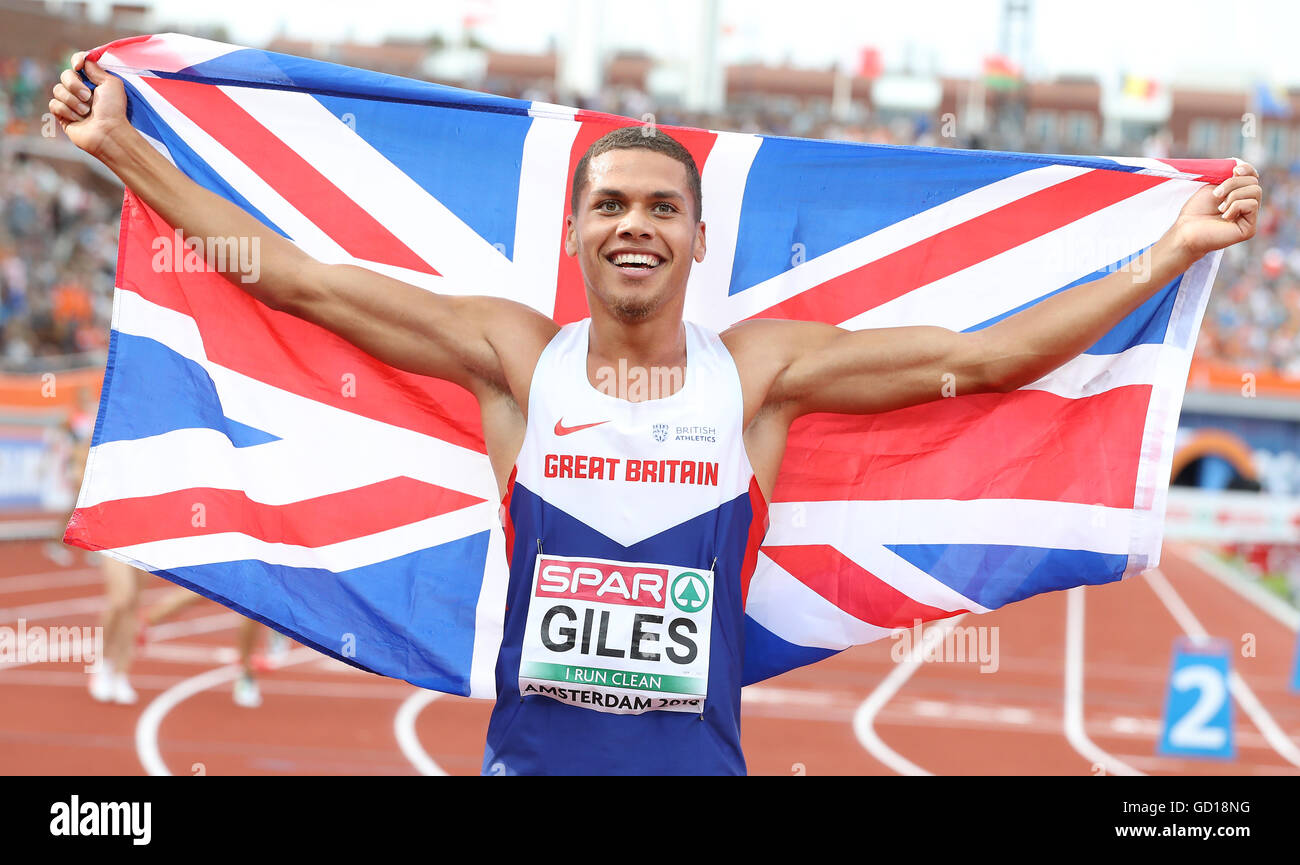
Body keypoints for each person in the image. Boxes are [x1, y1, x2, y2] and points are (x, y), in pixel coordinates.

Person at [50, 52, 1262, 774]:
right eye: (612, 202)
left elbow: (987, 356)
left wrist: (1167, 251)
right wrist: (125, 153)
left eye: (661, 207)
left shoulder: (763, 374)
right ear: (577, 229)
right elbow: (302, 282)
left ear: (695, 237)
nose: (635, 221)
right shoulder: (515, 358)